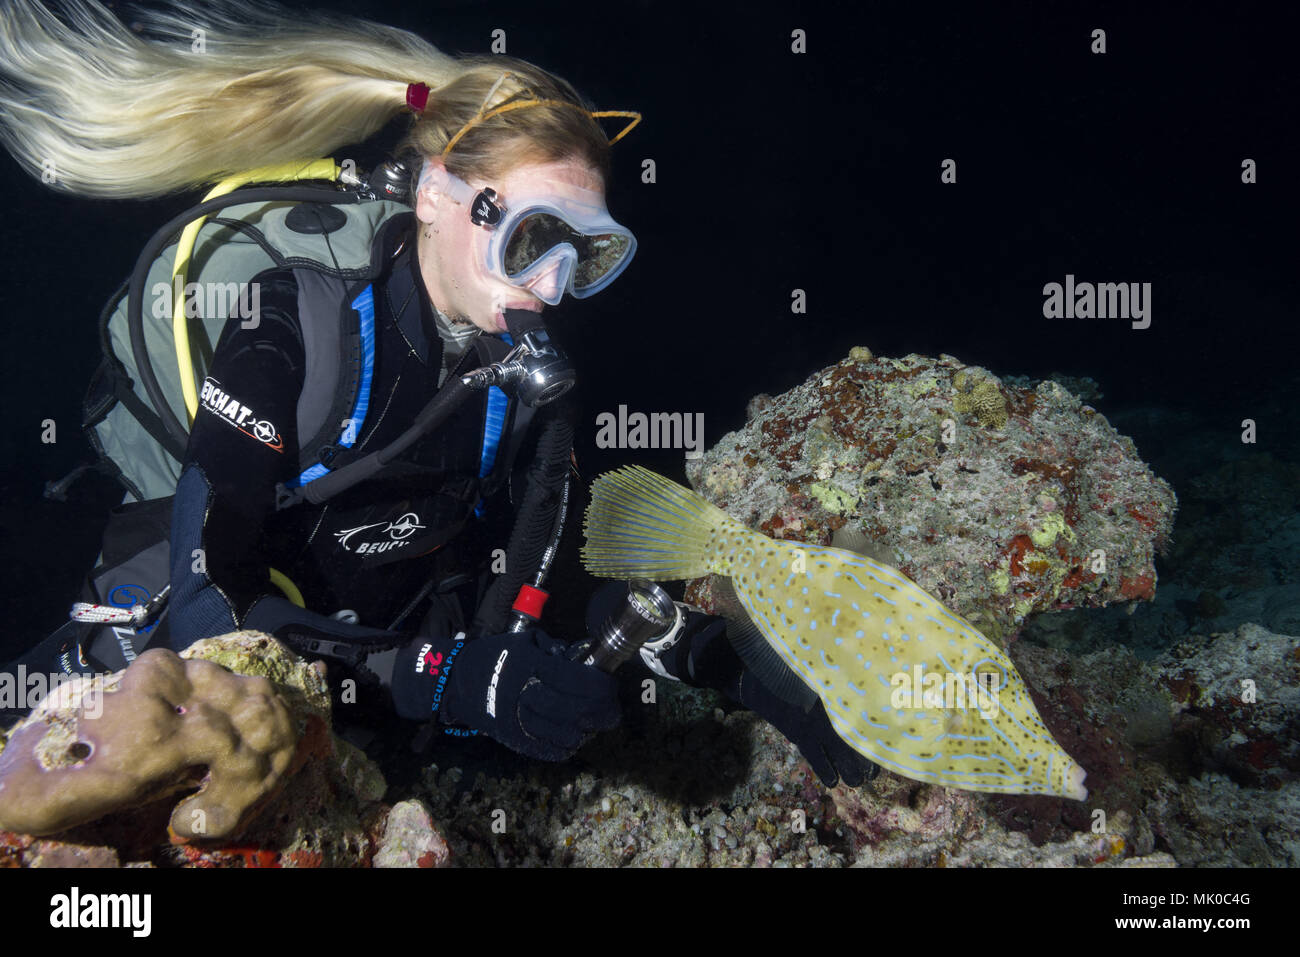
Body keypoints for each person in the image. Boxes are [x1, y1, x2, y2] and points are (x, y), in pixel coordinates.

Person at [0, 0, 874, 787]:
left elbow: (550, 575)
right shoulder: (284, 322)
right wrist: (449, 677)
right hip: (177, 661)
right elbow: (205, 606)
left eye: (589, 254)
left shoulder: (524, 385)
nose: (554, 285)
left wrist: (746, 671)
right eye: (535, 236)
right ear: (433, 194)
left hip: (380, 675)